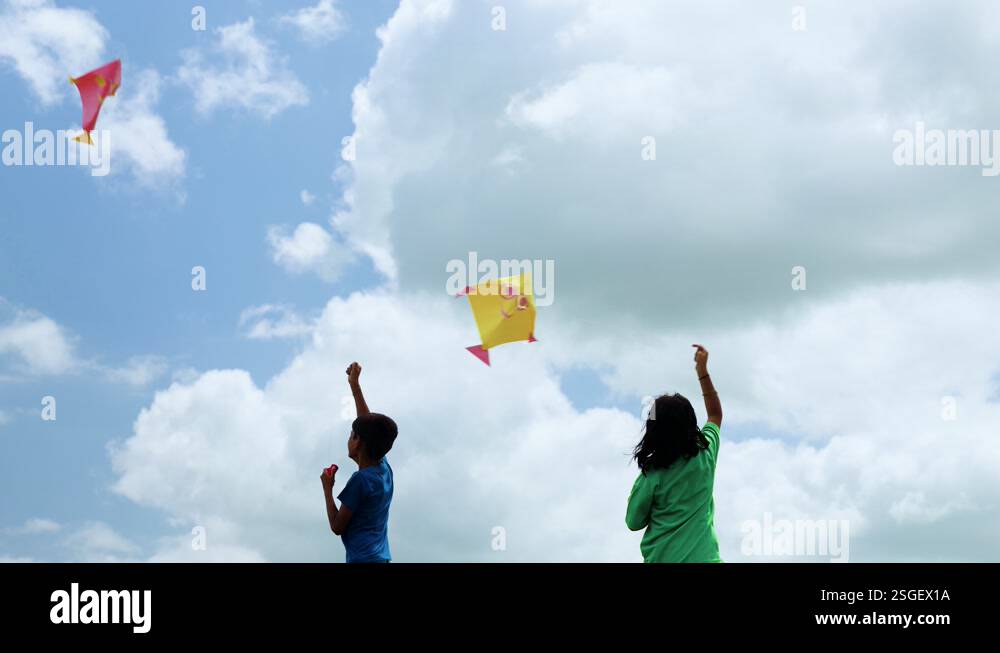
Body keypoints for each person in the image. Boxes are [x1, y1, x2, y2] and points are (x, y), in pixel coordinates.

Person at [626, 344, 723, 562]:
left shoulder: (651, 476)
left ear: (653, 432)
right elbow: (715, 414)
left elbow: (633, 522)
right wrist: (702, 372)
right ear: (691, 424)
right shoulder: (706, 455)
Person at [321, 362, 397, 563]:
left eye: (352, 435)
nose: (349, 439)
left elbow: (337, 526)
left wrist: (327, 490)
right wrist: (354, 386)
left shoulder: (361, 481)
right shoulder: (383, 469)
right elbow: (367, 424)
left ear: (360, 444)